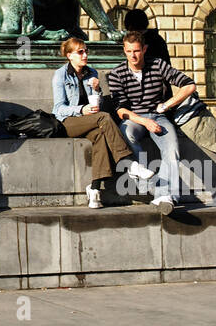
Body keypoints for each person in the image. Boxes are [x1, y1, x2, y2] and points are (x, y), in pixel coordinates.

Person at [107, 31, 199, 214]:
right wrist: (145, 122)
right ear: (124, 51)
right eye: (128, 51)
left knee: (171, 149)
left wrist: (166, 105)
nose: (133, 55)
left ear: (144, 49)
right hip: (134, 118)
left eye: (137, 51)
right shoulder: (117, 73)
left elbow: (189, 85)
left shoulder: (158, 65)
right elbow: (121, 110)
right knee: (126, 133)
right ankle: (145, 178)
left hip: (159, 117)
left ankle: (164, 195)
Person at [51, 36, 141, 208]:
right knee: (104, 117)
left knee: (100, 134)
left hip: (91, 121)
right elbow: (58, 109)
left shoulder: (91, 73)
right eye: (80, 52)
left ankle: (94, 190)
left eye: (86, 51)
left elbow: (96, 104)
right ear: (69, 55)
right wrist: (80, 109)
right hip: (68, 122)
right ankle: (129, 162)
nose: (85, 55)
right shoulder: (60, 75)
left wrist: (97, 90)